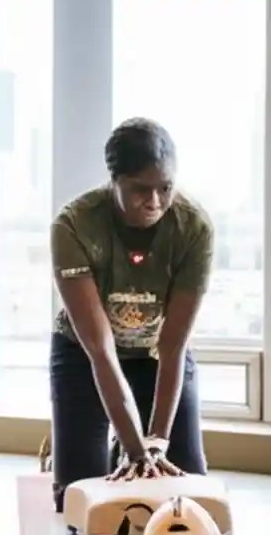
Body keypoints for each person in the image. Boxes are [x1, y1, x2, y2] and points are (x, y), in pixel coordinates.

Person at [47, 117, 214, 512]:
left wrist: (155, 442)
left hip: (157, 355)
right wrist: (138, 453)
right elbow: (100, 350)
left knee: (186, 486)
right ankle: (112, 448)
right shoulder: (73, 225)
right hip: (85, 354)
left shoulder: (194, 227)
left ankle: (130, 440)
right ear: (114, 180)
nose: (154, 201)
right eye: (141, 189)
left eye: (165, 188)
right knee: (77, 499)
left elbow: (173, 347)